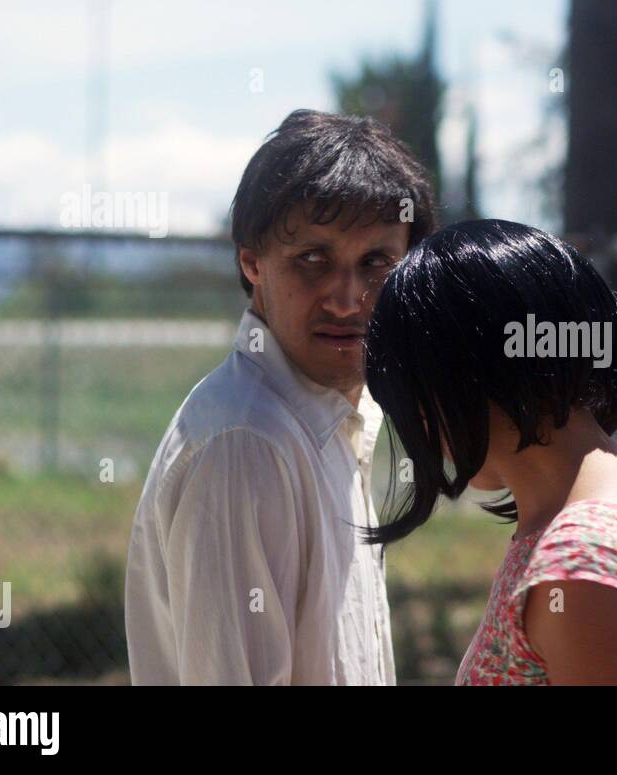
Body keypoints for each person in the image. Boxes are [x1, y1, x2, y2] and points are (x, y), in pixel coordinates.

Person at [124, 109, 436, 684]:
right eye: (312, 259)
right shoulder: (247, 444)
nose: (346, 298)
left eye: (376, 262)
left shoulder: (333, 414)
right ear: (252, 262)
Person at [363, 219, 617, 685]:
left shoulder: (585, 554)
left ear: (461, 377)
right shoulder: (614, 492)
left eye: (413, 394)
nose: (417, 423)